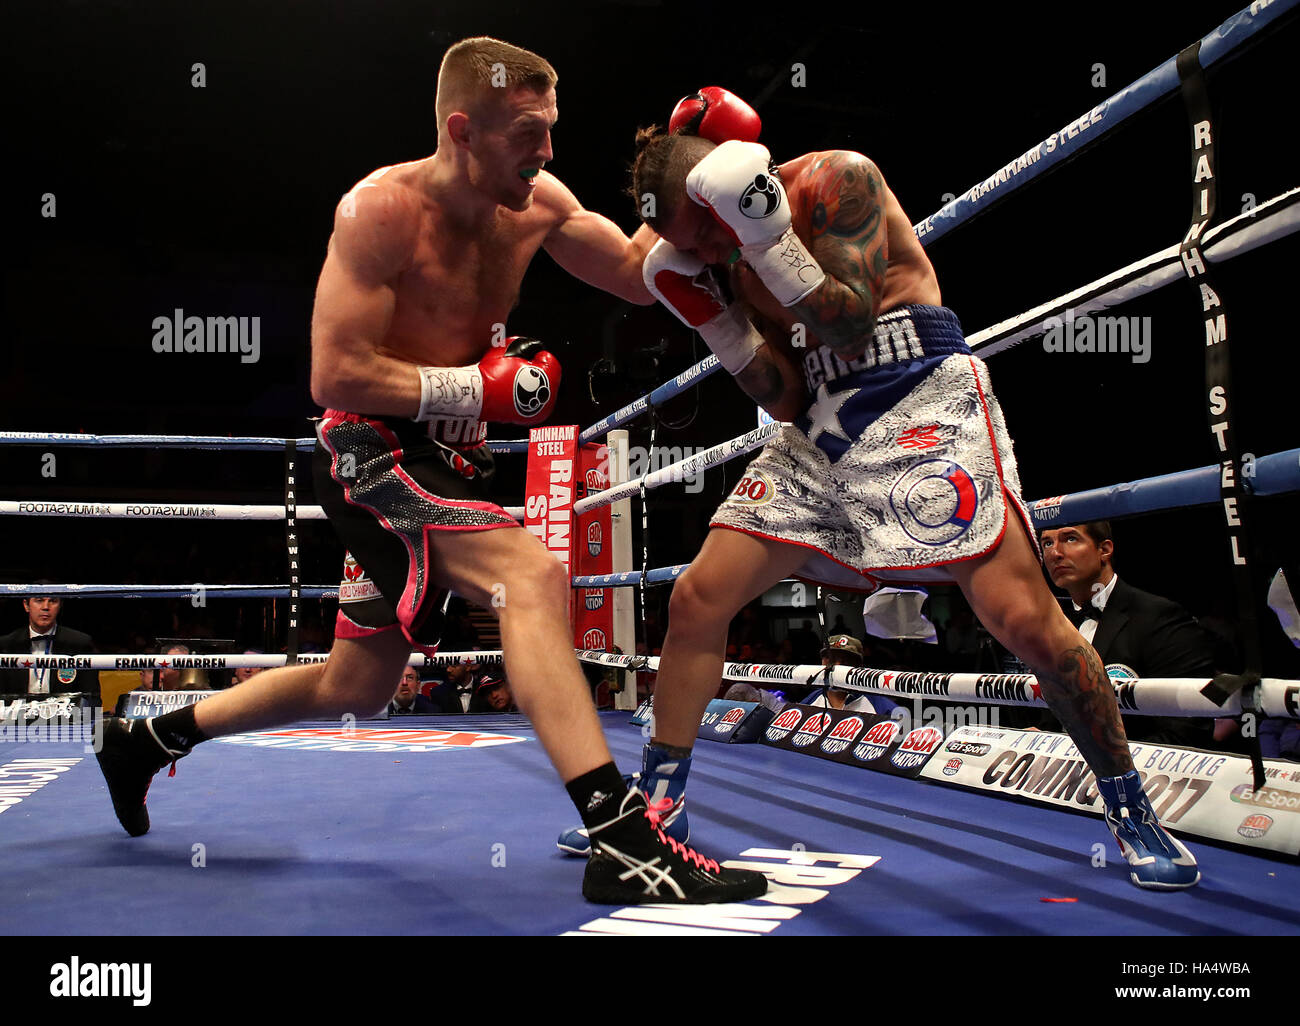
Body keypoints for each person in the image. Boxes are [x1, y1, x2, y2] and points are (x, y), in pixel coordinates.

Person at [93, 39, 765, 907]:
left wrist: (685, 169)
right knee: (529, 574)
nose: (549, 152)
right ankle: (624, 838)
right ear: (463, 131)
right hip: (370, 452)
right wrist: (473, 387)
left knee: (357, 685)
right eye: (528, 132)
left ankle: (146, 742)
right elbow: (332, 375)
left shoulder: (539, 205)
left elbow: (641, 279)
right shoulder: (379, 212)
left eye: (552, 129)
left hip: (446, 460)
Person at [559, 87, 1199, 889]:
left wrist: (767, 239)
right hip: (822, 421)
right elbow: (784, 395)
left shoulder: (837, 181)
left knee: (1023, 621)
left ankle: (1128, 803)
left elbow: (852, 322)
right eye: (695, 249)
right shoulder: (715, 258)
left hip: (920, 391)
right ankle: (658, 809)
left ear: (720, 186)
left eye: (713, 232)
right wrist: (717, 325)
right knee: (696, 598)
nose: (714, 255)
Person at [1040, 521, 1219, 748]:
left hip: (1139, 774)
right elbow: (1052, 715)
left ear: (1104, 550)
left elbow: (1188, 729)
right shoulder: (1054, 623)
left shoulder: (1158, 617)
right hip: (1061, 773)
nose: (1055, 553)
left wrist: (1106, 763)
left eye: (1070, 538)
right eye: (1047, 543)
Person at [0, 586, 101, 705]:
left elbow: (91, 697)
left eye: (52, 601)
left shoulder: (79, 643)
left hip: (64, 719)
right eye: (39, 600)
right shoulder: (7, 644)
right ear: (26, 605)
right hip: (16, 718)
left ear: (60, 605)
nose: (45, 607)